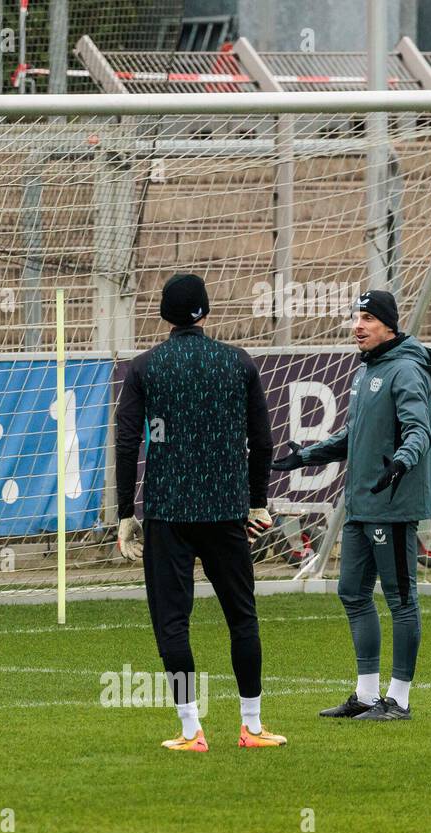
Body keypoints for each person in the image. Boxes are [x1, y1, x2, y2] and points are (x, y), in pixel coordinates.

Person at [115, 273, 283, 752]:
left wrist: (127, 511)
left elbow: (128, 442)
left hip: (168, 512)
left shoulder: (146, 366)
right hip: (226, 510)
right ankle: (251, 725)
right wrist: (257, 501)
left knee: (172, 620)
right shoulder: (238, 363)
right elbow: (263, 442)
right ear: (205, 313)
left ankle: (191, 729)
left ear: (164, 316)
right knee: (242, 616)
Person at [272, 290, 431, 721]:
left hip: (393, 506)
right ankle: (366, 695)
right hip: (361, 504)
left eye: (367, 317)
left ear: (388, 324)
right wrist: (305, 456)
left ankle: (398, 700)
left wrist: (401, 463)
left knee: (401, 599)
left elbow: (418, 431)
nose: (357, 325)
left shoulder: (406, 369)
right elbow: (352, 436)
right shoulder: (366, 372)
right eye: (355, 317)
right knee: (352, 592)